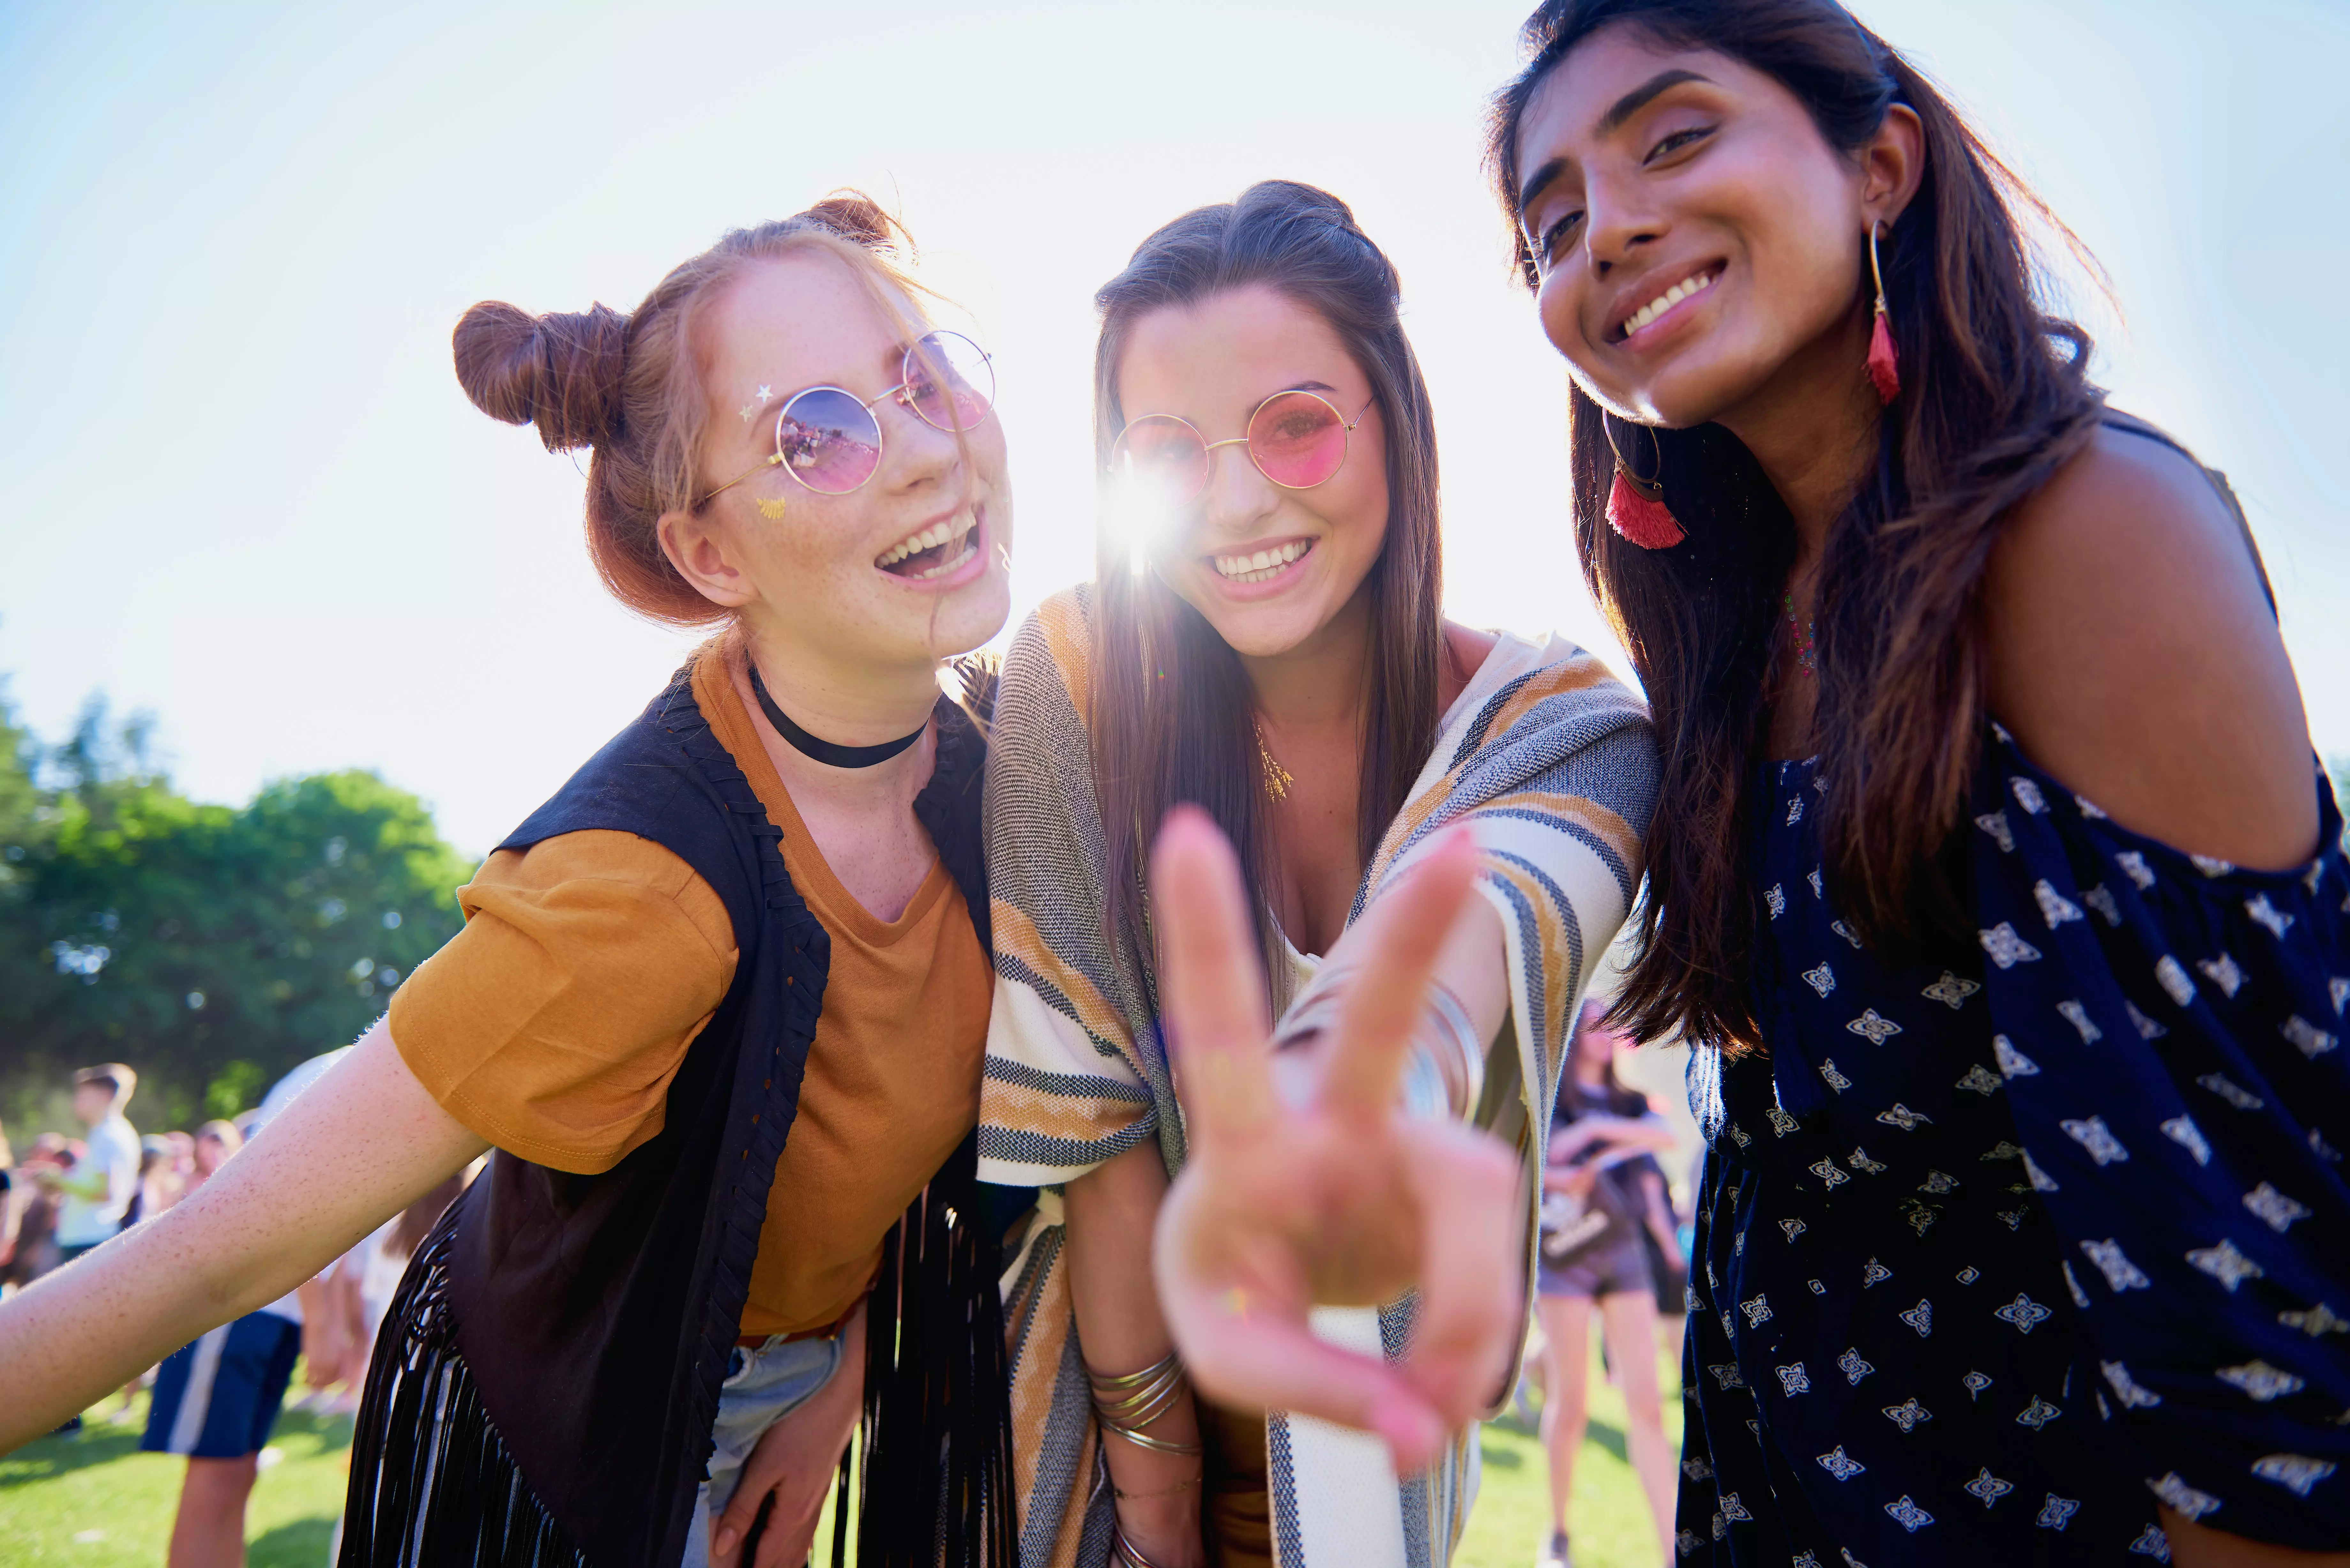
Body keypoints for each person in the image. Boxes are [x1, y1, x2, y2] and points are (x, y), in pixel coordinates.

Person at [0, 194, 1020, 1568]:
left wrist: (831, 1363)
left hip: (782, 1370)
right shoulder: (632, 896)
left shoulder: (1006, 776)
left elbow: (863, 1120)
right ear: (710, 553)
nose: (922, 451)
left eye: (927, 370)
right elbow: (204, 1256)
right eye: (819, 434)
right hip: (563, 1424)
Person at [1484, 2, 2349, 1563]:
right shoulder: (1736, 628)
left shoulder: (2080, 526)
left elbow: (2240, 1283)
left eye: (1671, 139)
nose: (1605, 229)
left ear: (1876, 165)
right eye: (1549, 223)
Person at [978, 180, 1656, 1568]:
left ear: (1395, 424)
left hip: (1370, 1483)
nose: (1234, 502)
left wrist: (1356, 1070)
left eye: (1293, 424)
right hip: (1074, 1467)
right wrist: (1158, 1494)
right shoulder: (1081, 677)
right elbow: (1090, 1119)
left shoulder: (1570, 728)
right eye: (1165, 449)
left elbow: (1487, 921)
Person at [140, 1056, 331, 1568]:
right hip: (238, 1301)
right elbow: (290, 1205)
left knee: (240, 1472)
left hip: (278, 1312)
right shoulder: (337, 1072)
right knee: (218, 1473)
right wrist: (323, 1320)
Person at [1533, 999, 1680, 1567]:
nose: (1602, 1032)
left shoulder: (1628, 1102)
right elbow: (1529, 1162)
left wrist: (1599, 1131)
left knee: (1647, 1403)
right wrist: (1560, 1171)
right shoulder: (1550, 1098)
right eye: (1590, 1022)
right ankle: (1558, 1533)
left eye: (1608, 1024)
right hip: (1565, 1256)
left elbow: (1664, 1135)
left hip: (1623, 1255)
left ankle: (1671, 1549)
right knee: (1570, 1403)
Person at [42, 1064, 141, 1264]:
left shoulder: (108, 1134)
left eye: (83, 1095)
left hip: (88, 1239)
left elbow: (104, 1191)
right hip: (87, 1237)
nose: (76, 1102)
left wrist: (56, 1179)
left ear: (104, 1096)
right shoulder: (110, 1132)